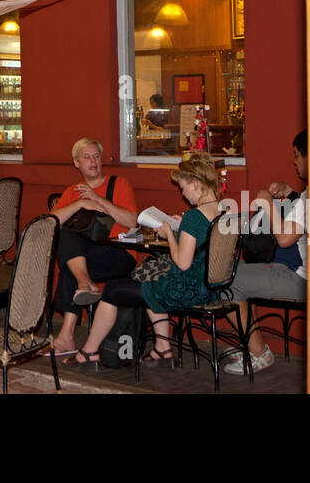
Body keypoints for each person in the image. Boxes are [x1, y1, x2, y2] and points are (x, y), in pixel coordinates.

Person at [72, 152, 222, 364]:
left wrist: (170, 234)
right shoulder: (221, 211)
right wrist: (181, 229)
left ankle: (89, 350)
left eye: (183, 187)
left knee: (114, 289)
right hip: (211, 289)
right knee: (149, 272)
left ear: (195, 183)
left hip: (185, 290)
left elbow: (182, 262)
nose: (183, 193)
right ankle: (162, 347)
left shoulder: (194, 216)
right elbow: (202, 246)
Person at [224, 128, 310, 374]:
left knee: (223, 280)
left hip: (300, 278)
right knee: (233, 271)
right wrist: (290, 193)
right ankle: (253, 346)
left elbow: (283, 238)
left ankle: (259, 353)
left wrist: (268, 204)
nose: (294, 162)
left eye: (297, 155)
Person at [47, 138, 138, 356]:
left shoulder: (119, 184)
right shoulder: (73, 191)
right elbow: (49, 222)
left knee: (71, 262)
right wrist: (79, 203)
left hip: (120, 253)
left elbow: (132, 221)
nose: (93, 161)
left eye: (96, 156)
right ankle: (84, 282)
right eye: (87, 157)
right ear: (76, 163)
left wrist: (99, 200)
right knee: (67, 238)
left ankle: (67, 335)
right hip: (88, 256)